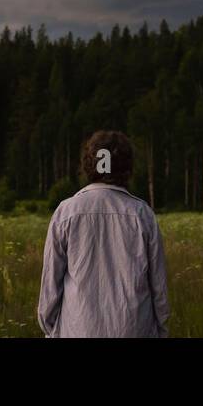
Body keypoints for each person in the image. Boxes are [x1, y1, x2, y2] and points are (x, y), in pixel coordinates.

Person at [37, 130, 170, 338]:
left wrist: (52, 329)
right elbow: (159, 288)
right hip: (135, 330)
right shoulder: (143, 214)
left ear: (89, 166)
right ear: (127, 168)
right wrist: (160, 330)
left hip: (77, 329)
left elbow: (49, 289)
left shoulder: (66, 212)